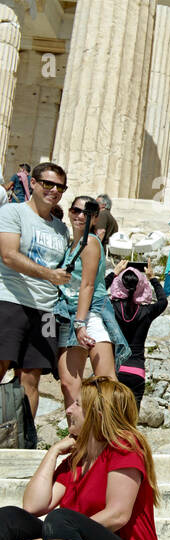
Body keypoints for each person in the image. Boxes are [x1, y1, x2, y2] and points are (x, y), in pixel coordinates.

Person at [0, 377, 161, 540]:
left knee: (59, 519)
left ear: (97, 412)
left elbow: (117, 515)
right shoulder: (76, 461)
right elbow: (33, 506)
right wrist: (53, 452)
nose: (68, 409)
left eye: (77, 404)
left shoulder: (125, 447)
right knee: (9, 518)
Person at [0, 162, 72, 433]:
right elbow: (8, 255)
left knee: (31, 379)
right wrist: (48, 275)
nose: (54, 190)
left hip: (47, 312)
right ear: (32, 182)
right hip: (10, 300)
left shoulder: (61, 230)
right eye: (48, 184)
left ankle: (21, 438)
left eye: (60, 187)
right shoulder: (12, 212)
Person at [54, 198, 121, 415]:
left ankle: (116, 437)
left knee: (106, 382)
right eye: (76, 210)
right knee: (68, 383)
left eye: (87, 212)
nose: (80, 215)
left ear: (94, 217)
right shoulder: (71, 244)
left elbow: (88, 284)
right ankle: (79, 437)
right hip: (69, 313)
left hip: (90, 313)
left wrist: (80, 323)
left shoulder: (90, 242)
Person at [107, 265, 167, 407]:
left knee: (112, 420)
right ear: (141, 287)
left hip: (115, 370)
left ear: (119, 286)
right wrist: (153, 278)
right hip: (136, 371)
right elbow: (163, 301)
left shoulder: (111, 307)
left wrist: (113, 274)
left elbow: (93, 295)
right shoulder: (147, 311)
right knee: (131, 423)